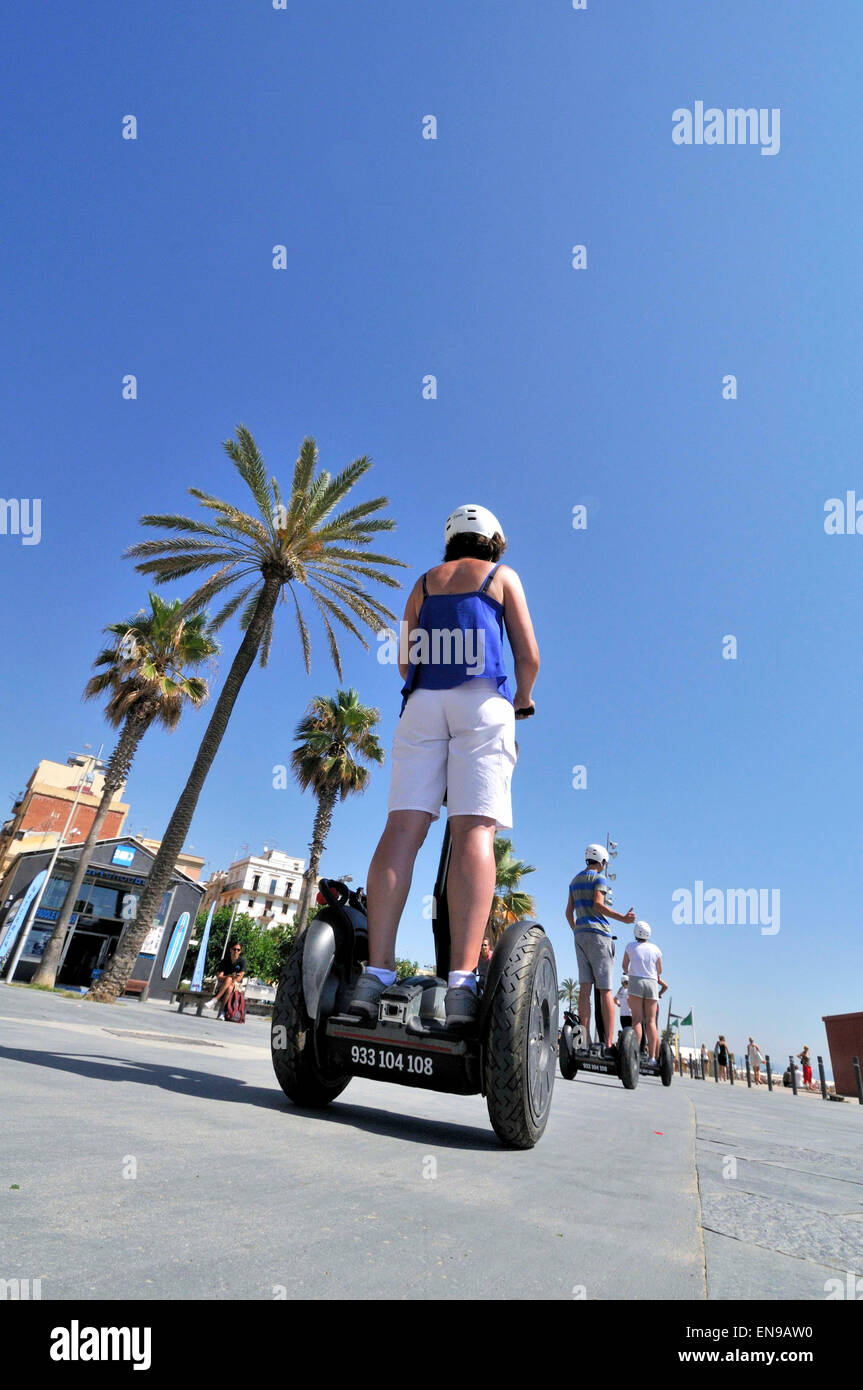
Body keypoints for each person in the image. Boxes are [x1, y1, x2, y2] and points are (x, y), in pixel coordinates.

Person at [349, 504, 539, 1032]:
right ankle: (460, 985)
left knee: (402, 829)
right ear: (494, 541)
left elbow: (406, 661)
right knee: (473, 831)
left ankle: (376, 975)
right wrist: (523, 699)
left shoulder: (425, 582)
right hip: (482, 702)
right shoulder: (503, 577)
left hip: (423, 703)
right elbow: (529, 654)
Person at [565, 844, 636, 1055]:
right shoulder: (599, 879)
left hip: (580, 936)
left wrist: (577, 930)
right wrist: (623, 918)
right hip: (599, 936)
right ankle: (609, 1044)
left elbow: (568, 913)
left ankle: (583, 1042)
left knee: (584, 990)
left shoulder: (574, 881)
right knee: (606, 990)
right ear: (602, 862)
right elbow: (598, 904)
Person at [622, 921, 662, 1065]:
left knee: (637, 1020)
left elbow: (624, 966)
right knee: (651, 1021)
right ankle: (652, 1057)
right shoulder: (655, 949)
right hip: (652, 983)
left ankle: (635, 1054)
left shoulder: (630, 946)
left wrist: (630, 972)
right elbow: (660, 970)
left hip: (636, 982)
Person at [204, 941, 247, 1015]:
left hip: (237, 986)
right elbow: (219, 977)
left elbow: (239, 978)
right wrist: (230, 976)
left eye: (238, 950)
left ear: (240, 951)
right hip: (224, 984)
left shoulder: (242, 961)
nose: (236, 951)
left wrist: (232, 978)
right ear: (230, 950)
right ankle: (222, 1012)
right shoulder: (225, 961)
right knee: (229, 985)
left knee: (230, 981)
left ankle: (215, 1000)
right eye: (234, 949)